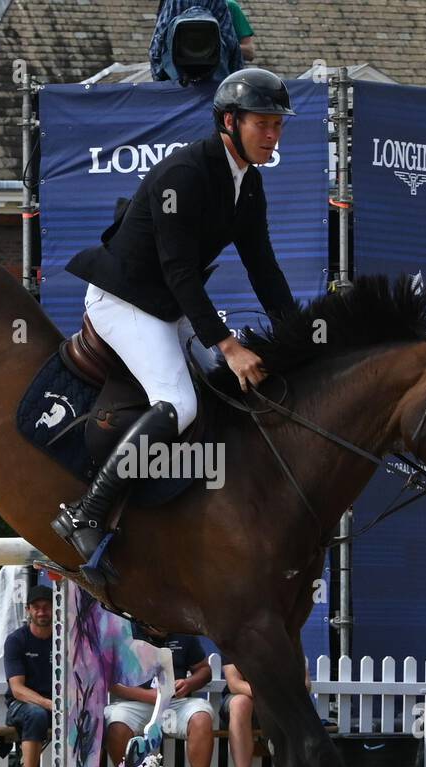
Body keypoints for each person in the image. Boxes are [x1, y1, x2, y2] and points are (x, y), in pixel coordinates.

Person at [56, 67, 299, 579]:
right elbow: (179, 271)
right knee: (182, 403)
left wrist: (299, 335)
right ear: (229, 121)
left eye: (279, 125)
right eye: (264, 124)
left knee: (222, 394)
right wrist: (228, 345)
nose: (273, 135)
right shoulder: (184, 174)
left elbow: (265, 268)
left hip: (165, 302)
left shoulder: (248, 185)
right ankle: (87, 511)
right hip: (122, 299)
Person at [107, 624, 215, 767]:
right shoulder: (125, 634)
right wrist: (147, 696)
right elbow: (110, 680)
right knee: (115, 720)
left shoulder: (183, 631)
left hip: (174, 702)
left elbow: (204, 670)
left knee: (201, 715)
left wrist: (189, 683)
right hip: (135, 703)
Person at [220, 657, 312, 767]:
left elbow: (305, 685)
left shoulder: (288, 640)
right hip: (247, 701)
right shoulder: (236, 636)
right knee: (240, 703)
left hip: (280, 703)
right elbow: (235, 685)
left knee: (290, 706)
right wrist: (269, 693)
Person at [3, 584, 54, 767]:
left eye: (47, 607)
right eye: (36, 607)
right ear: (28, 610)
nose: (42, 612)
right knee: (35, 713)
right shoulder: (17, 640)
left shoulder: (66, 638)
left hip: (56, 704)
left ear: (56, 608)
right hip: (22, 705)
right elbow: (17, 689)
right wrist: (49, 703)